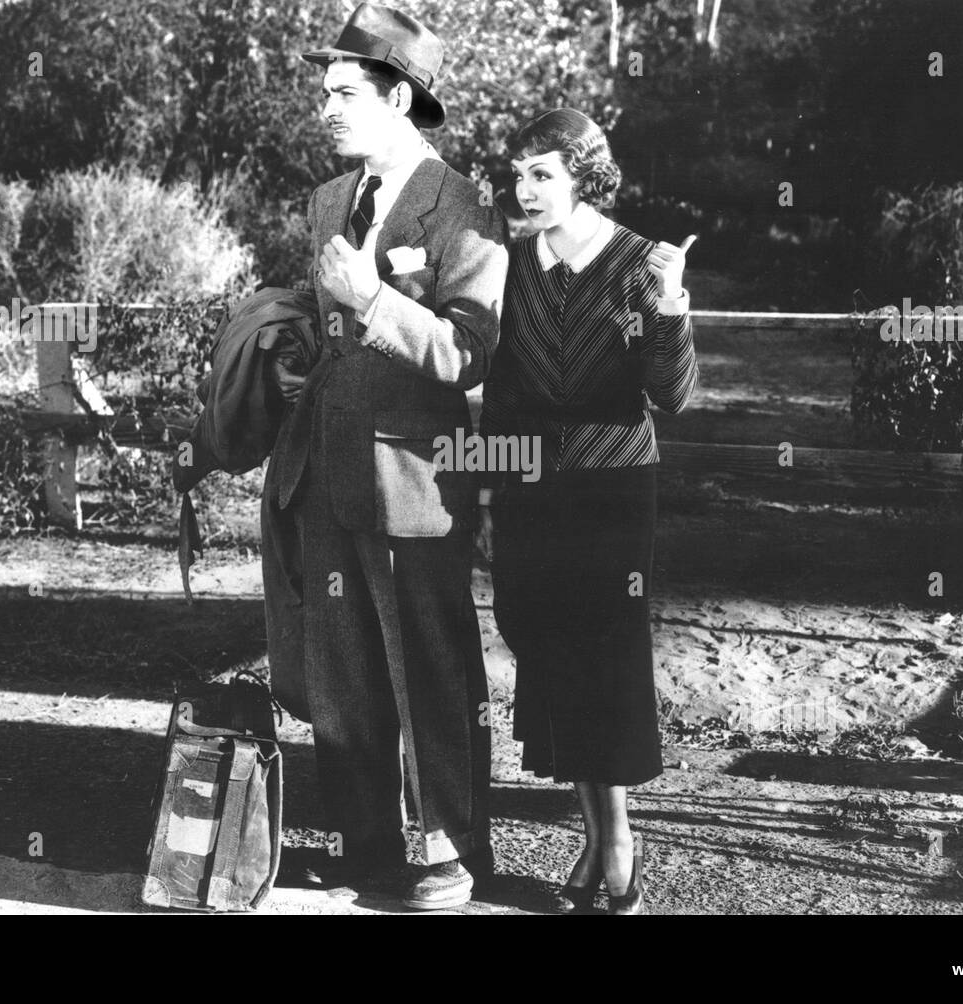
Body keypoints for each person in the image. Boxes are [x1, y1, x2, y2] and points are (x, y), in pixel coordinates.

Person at [264, 3, 508, 910]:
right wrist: (295, 361)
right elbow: (328, 326)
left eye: (344, 92)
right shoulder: (327, 201)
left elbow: (469, 351)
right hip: (325, 469)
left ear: (399, 95)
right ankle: (367, 844)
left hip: (415, 477)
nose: (325, 107)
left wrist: (372, 298)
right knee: (341, 667)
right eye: (322, 91)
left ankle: (449, 848)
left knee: (430, 666)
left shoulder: (465, 204)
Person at [477, 108, 698, 915]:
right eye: (518, 174)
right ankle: (594, 840)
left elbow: (672, 398)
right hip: (534, 489)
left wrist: (672, 307)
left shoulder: (642, 263)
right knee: (548, 649)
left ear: (585, 176)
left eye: (543, 173)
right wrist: (491, 489)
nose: (524, 189)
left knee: (604, 660)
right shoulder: (511, 264)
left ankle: (617, 846)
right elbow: (501, 394)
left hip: (611, 492)